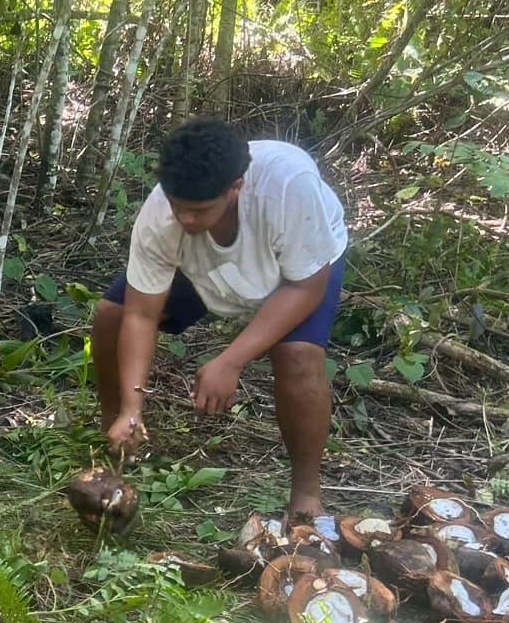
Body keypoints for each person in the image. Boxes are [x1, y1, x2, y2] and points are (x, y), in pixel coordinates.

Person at [93, 117, 348, 521]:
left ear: (235, 188)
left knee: (298, 356)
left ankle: (306, 495)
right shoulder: (162, 215)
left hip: (295, 269)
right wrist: (132, 403)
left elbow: (305, 288)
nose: (185, 220)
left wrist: (230, 361)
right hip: (204, 268)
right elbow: (141, 315)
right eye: (178, 208)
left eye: (198, 211)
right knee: (111, 315)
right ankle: (119, 434)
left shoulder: (288, 188)